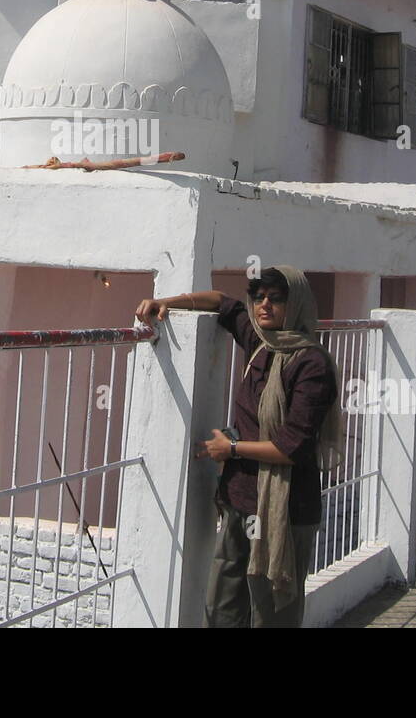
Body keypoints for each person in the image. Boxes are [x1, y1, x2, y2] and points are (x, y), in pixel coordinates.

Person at [134, 265, 340, 628]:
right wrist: (164, 302)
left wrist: (231, 449)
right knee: (224, 605)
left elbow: (291, 448)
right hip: (241, 501)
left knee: (272, 611)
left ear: (297, 304)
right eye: (259, 296)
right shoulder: (260, 341)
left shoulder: (311, 364)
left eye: (276, 299)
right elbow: (222, 304)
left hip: (285, 509)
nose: (264, 305)